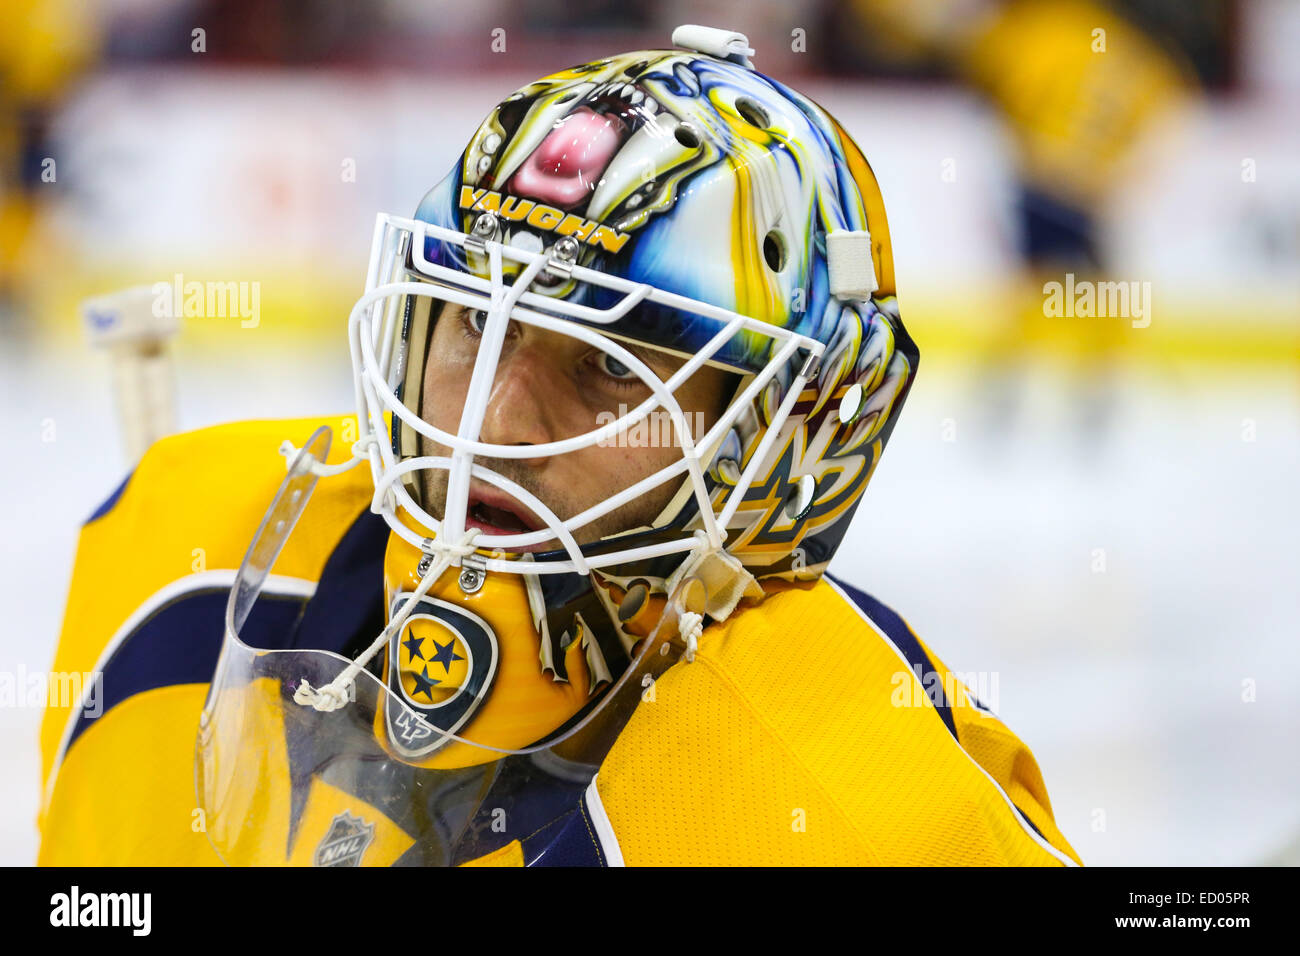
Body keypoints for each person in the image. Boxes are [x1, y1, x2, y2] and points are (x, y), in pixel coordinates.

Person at [38, 25, 1081, 866]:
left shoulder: (850, 803)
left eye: (615, 367)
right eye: (471, 324)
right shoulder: (184, 572)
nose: (493, 421)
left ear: (776, 430)